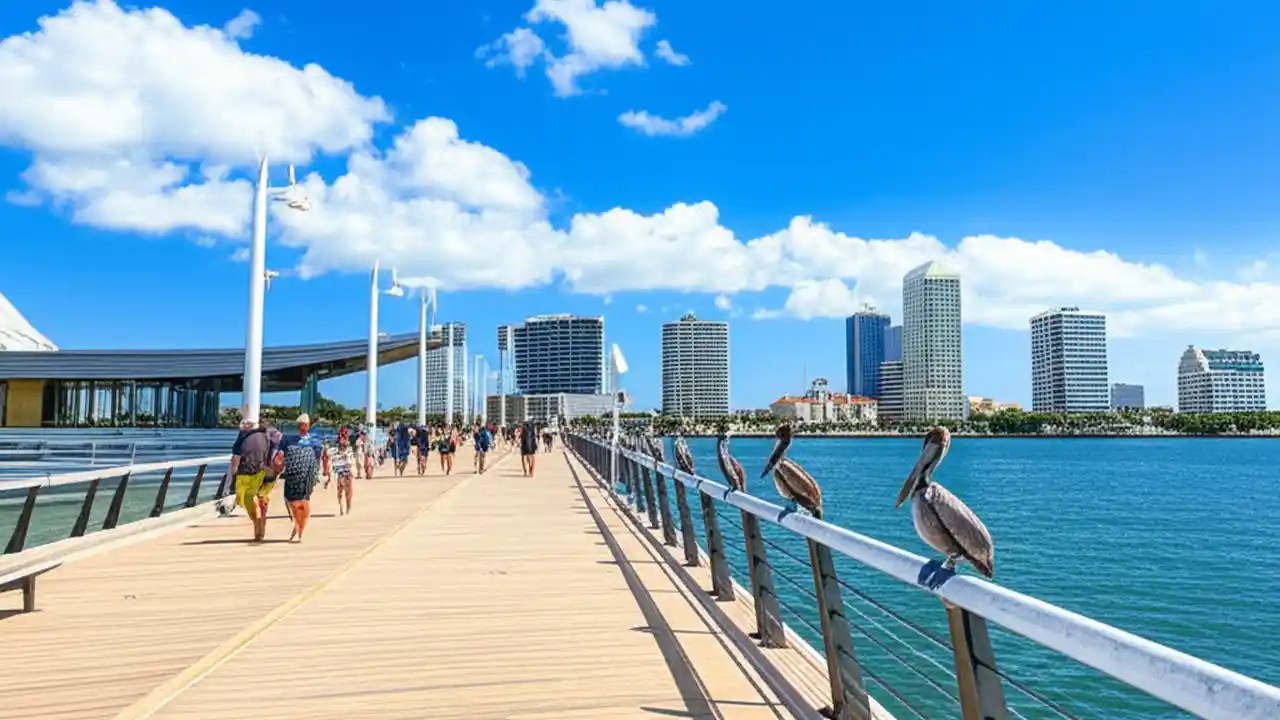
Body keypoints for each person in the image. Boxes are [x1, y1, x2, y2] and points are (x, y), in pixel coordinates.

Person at [274, 413, 326, 543]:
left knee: (303, 501)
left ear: (309, 425)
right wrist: (277, 465)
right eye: (301, 424)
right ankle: (298, 522)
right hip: (291, 475)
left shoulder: (315, 441)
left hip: (307, 476)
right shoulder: (287, 439)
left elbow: (320, 457)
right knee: (291, 501)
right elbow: (280, 456)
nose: (303, 427)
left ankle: (300, 528)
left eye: (305, 424)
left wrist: (322, 471)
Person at [229, 414, 275, 542]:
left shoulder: (242, 437)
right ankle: (262, 526)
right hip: (265, 472)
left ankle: (257, 522)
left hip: (247, 472)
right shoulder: (267, 435)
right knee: (262, 497)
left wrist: (233, 475)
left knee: (246, 498)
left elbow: (235, 458)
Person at [327, 427, 355, 515]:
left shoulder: (346, 447)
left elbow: (350, 461)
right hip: (341, 471)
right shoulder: (343, 446)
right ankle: (345, 508)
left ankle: (345, 508)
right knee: (344, 492)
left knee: (345, 492)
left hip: (343, 471)